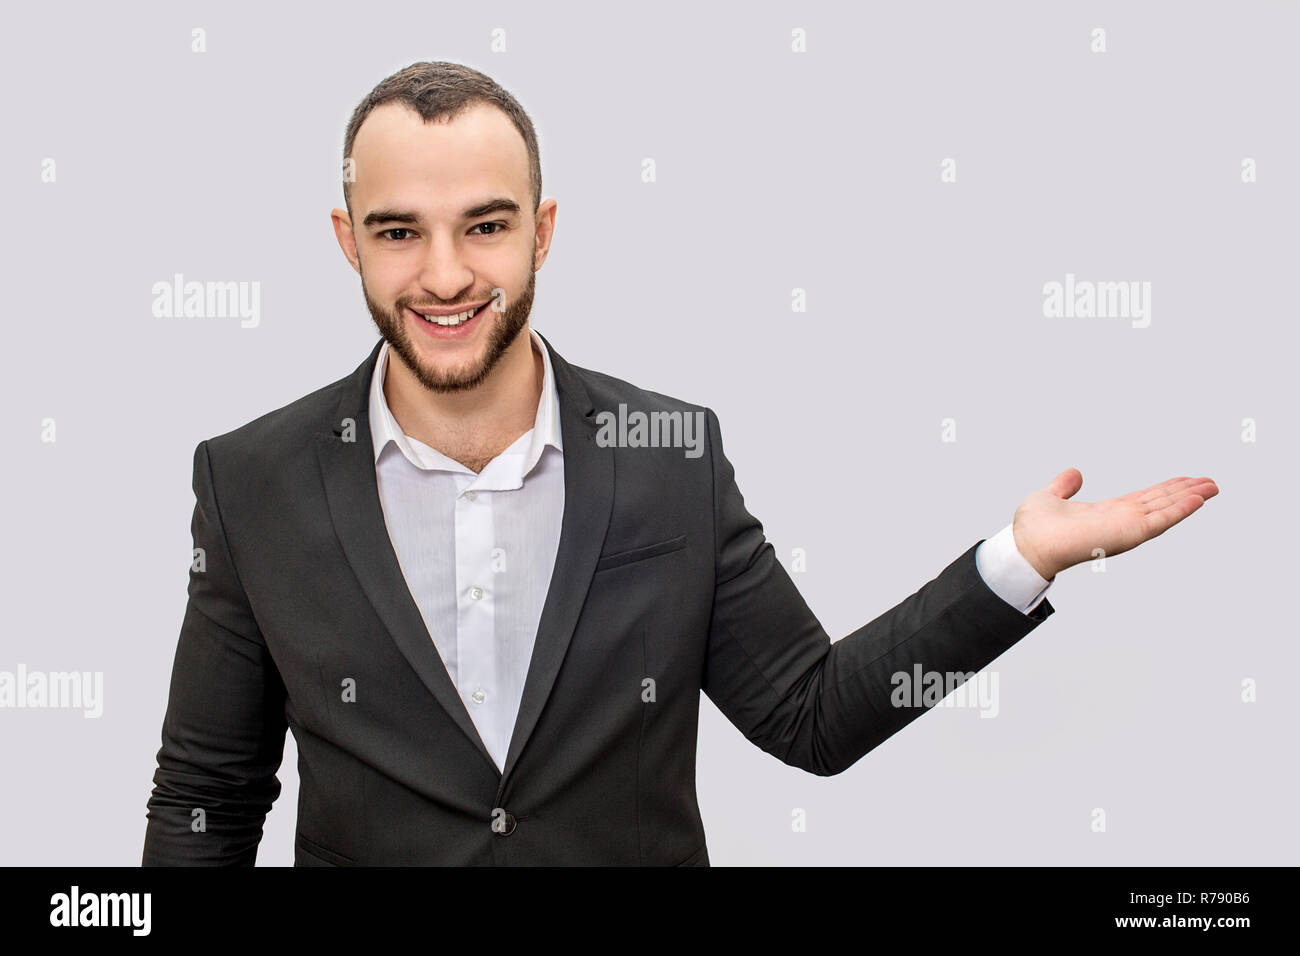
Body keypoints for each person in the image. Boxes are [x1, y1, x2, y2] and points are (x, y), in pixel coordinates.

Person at [141, 61, 1218, 866]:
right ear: (346, 240)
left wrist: (1016, 560)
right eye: (397, 231)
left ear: (542, 231)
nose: (445, 273)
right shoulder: (252, 480)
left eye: (484, 225)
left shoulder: (670, 458)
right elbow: (208, 793)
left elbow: (812, 715)